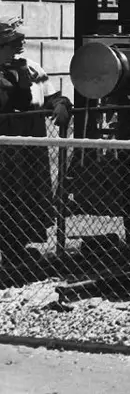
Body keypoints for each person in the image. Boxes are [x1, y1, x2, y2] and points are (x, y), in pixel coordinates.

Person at [0, 15, 69, 267]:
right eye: (13, 41)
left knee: (28, 194)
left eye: (21, 40)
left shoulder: (30, 68)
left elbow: (51, 94)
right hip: (3, 147)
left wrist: (60, 104)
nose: (20, 44)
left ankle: (16, 250)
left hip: (29, 145)